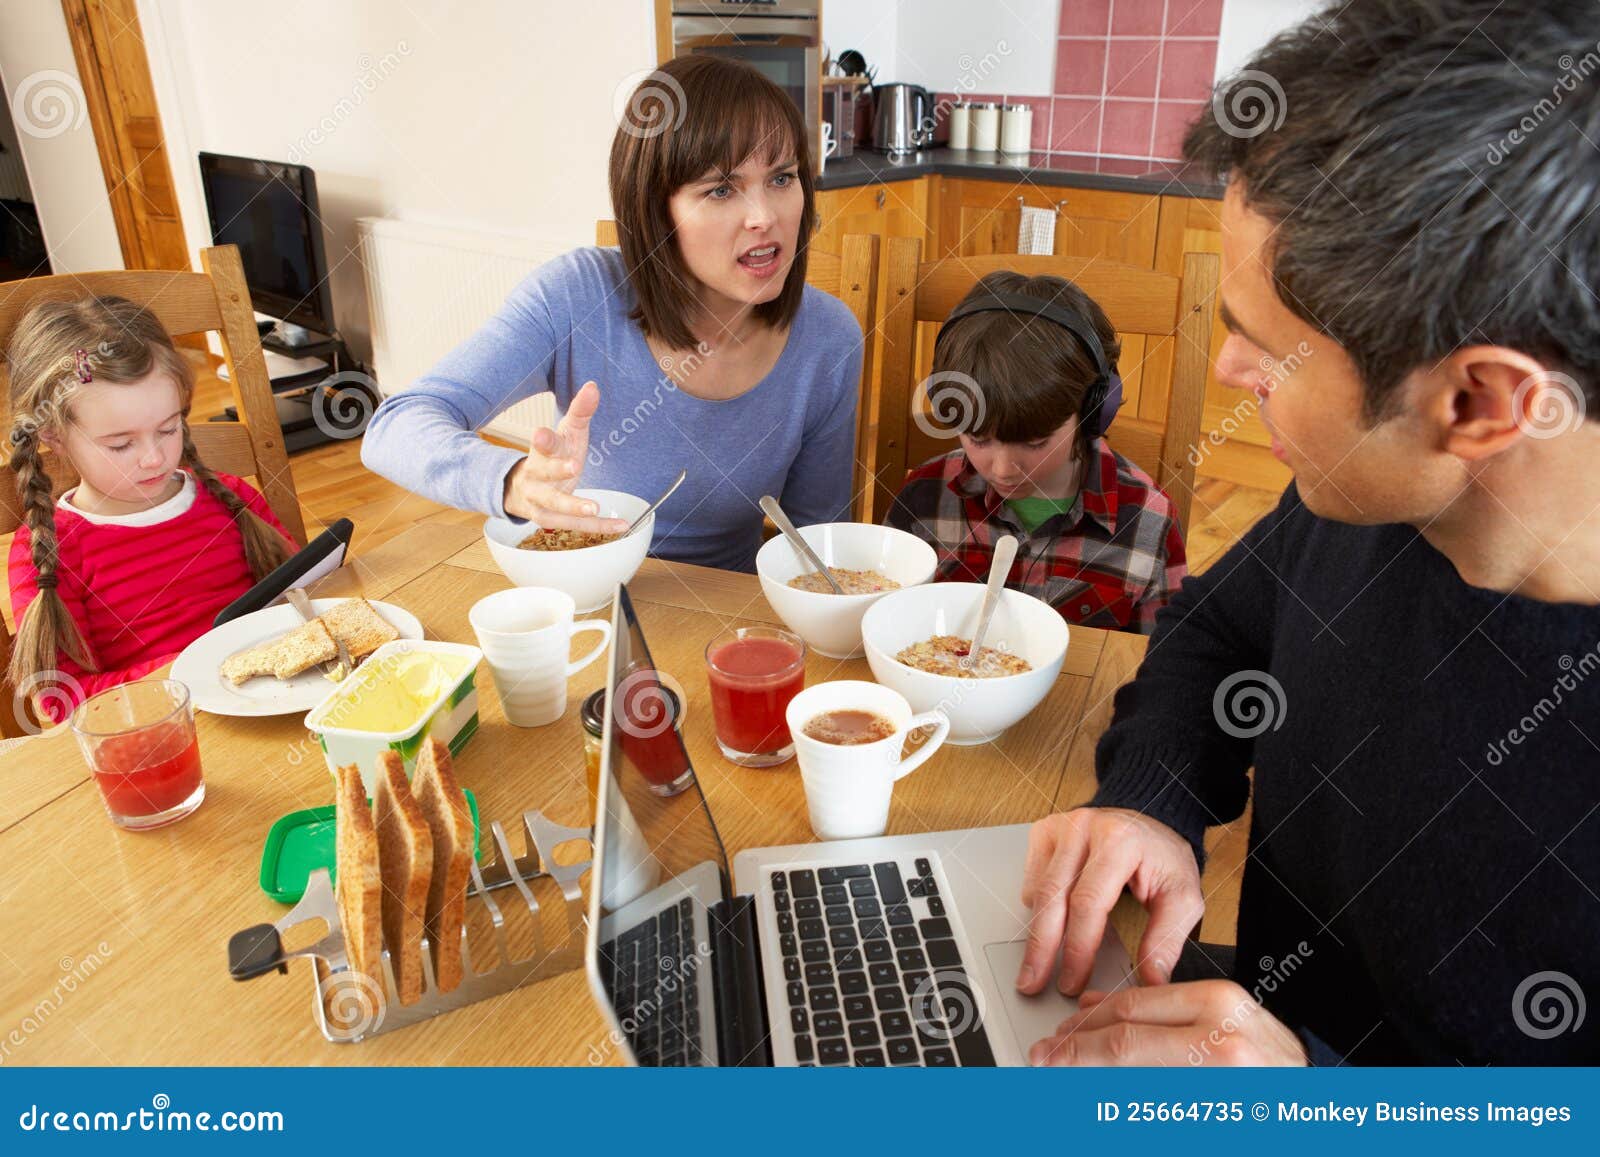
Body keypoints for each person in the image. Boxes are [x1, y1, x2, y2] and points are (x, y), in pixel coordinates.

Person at [1017, 0, 1600, 1065]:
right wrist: (1154, 796)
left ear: (1475, 404)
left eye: (1265, 346)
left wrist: (1320, 1099)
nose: (1231, 370)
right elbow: (1213, 632)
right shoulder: (1371, 499)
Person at [361, 55, 863, 573]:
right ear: (655, 209)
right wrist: (512, 482)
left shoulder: (828, 338)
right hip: (586, 598)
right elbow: (396, 427)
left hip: (729, 620)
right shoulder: (577, 295)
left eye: (782, 179)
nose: (765, 217)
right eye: (720, 189)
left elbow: (813, 546)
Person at [6, 296, 297, 722]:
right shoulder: (49, 553)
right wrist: (201, 669)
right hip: (159, 739)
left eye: (168, 428)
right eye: (120, 444)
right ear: (53, 436)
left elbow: (304, 597)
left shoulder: (231, 497)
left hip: (281, 705)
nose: (154, 458)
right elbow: (63, 702)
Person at [883, 272, 1186, 631]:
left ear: (1094, 410)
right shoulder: (922, 498)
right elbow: (886, 624)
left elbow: (1164, 665)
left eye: (1035, 443)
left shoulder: (1148, 521)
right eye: (979, 440)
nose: (1004, 469)